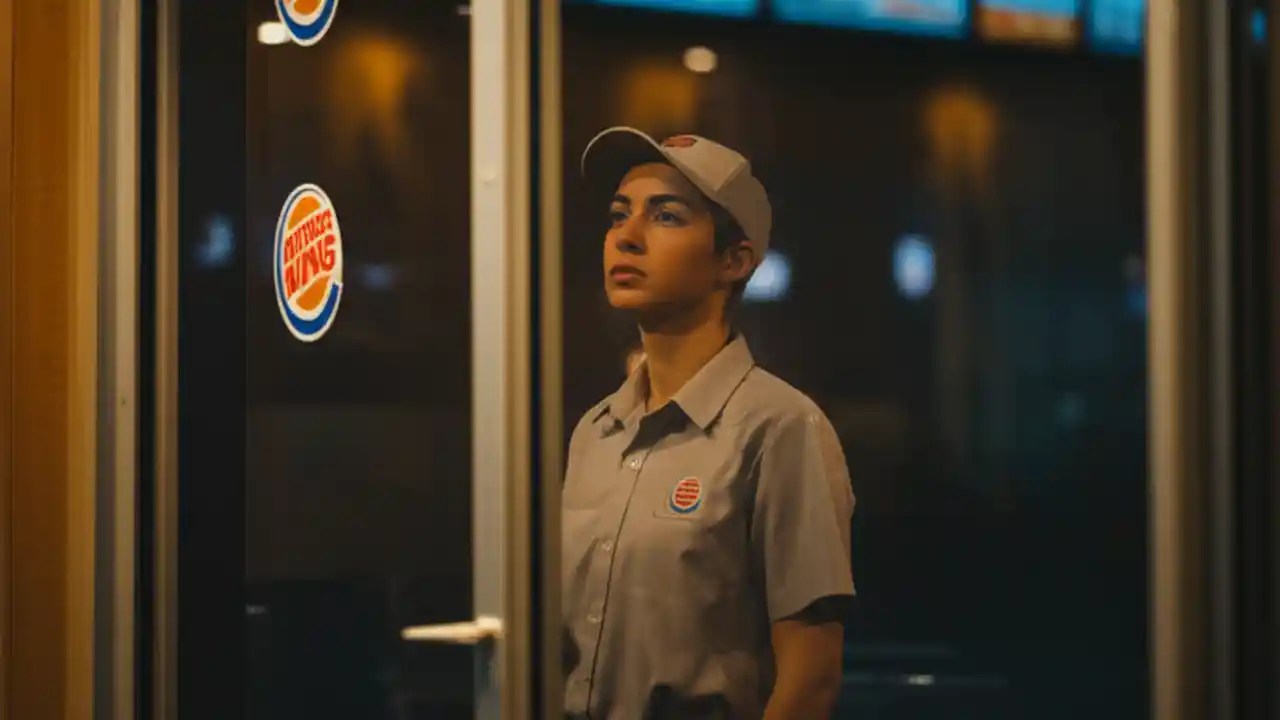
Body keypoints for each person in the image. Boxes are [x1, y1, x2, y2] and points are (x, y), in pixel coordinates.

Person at [562, 127, 856, 720]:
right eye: (619, 215)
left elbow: (810, 681)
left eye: (666, 216)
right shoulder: (596, 432)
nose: (628, 236)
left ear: (733, 259)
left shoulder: (780, 427)